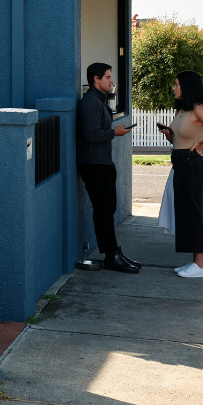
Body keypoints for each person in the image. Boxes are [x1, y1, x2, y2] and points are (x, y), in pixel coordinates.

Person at [163, 71, 203, 278]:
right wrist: (169, 136)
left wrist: (201, 142)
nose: (173, 88)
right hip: (180, 163)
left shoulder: (199, 109)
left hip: (193, 166)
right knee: (184, 214)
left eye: (176, 84)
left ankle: (200, 266)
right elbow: (178, 143)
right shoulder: (181, 110)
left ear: (187, 86)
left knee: (194, 214)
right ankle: (194, 263)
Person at [76, 62, 137, 274]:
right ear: (96, 79)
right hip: (93, 164)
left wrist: (112, 131)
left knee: (108, 208)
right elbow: (90, 134)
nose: (112, 81)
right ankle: (112, 256)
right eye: (108, 77)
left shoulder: (99, 100)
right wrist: (114, 133)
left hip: (103, 162)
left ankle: (115, 253)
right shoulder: (91, 102)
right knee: (103, 211)